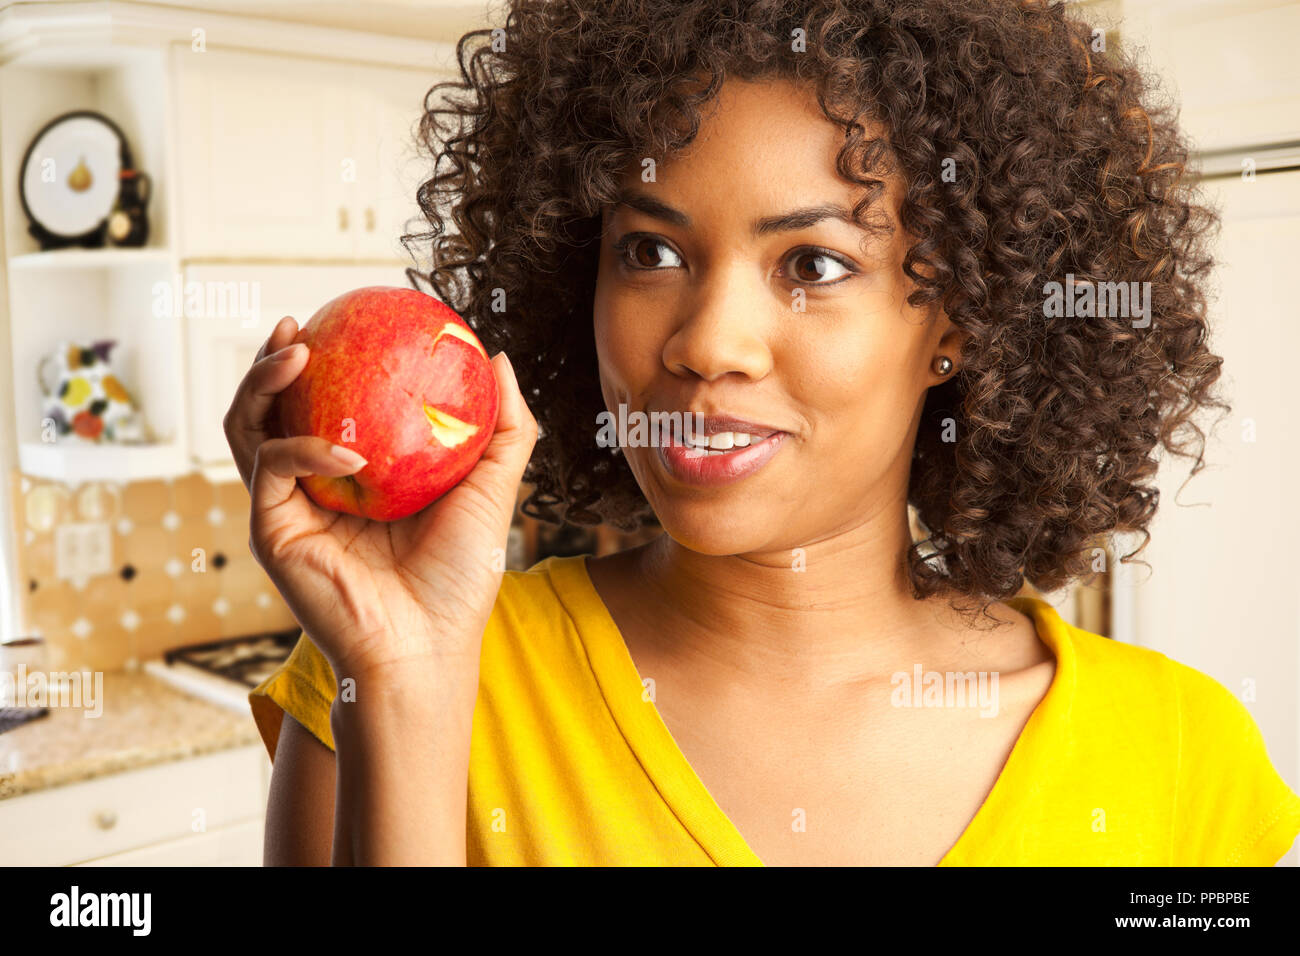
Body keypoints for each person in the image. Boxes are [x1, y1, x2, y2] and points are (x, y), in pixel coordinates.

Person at [236, 0, 1300, 865]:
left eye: (813, 264)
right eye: (650, 253)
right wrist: (405, 686)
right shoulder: (389, 681)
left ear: (959, 323)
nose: (709, 342)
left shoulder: (1182, 761)